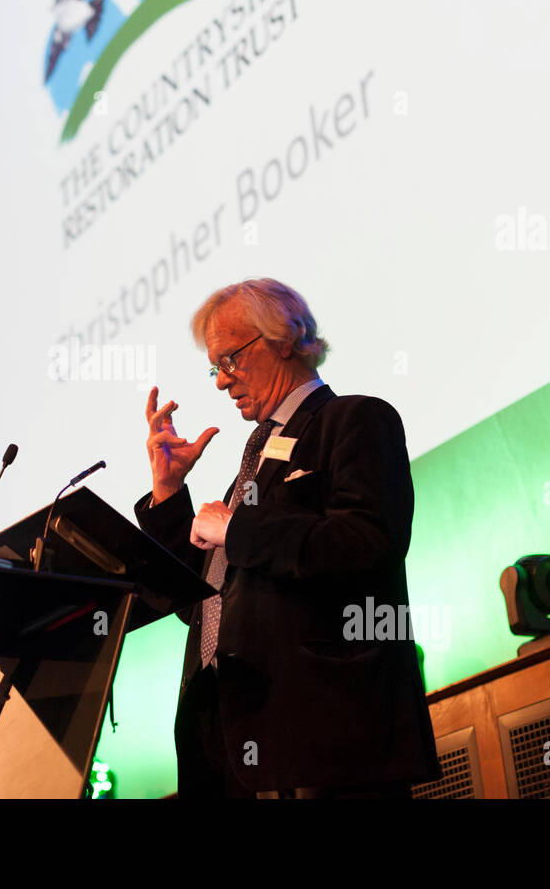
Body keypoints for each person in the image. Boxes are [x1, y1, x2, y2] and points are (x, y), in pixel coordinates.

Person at [135, 278, 441, 798]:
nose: (221, 381)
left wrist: (236, 529)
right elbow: (203, 604)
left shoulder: (355, 420)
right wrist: (168, 493)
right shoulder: (250, 469)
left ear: (284, 338)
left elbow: (368, 543)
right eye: (215, 367)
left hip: (321, 740)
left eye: (230, 359)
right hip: (225, 743)